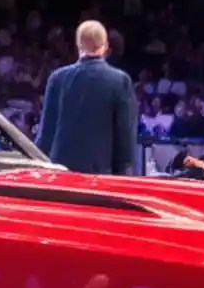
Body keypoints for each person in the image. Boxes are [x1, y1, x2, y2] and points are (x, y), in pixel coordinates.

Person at [35, 20, 136, 175]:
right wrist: (125, 175)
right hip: (100, 175)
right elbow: (124, 138)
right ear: (106, 47)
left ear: (78, 45)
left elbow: (45, 136)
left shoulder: (57, 79)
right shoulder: (120, 81)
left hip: (60, 175)